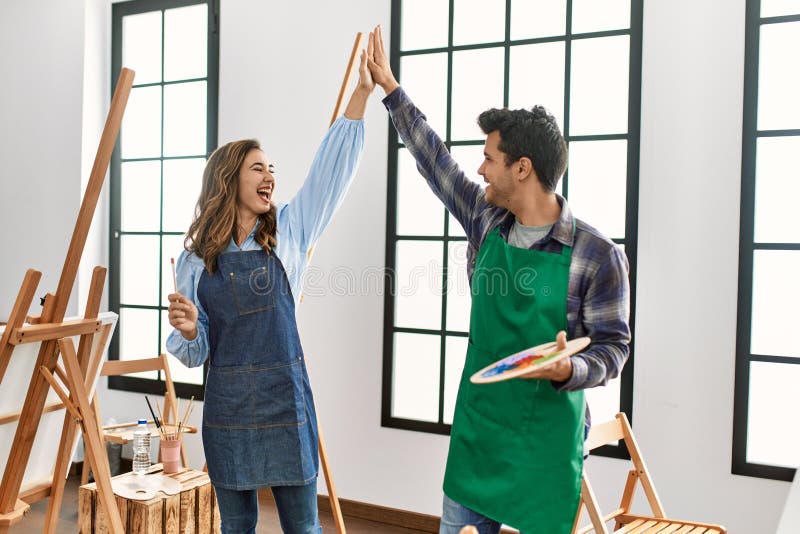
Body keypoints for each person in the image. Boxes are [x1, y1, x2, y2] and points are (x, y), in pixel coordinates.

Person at [366, 26, 630, 534]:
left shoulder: (596, 256)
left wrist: (567, 370)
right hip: (479, 436)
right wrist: (391, 90)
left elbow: (613, 349)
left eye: (489, 158)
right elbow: (433, 160)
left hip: (545, 449)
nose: (480, 170)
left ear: (523, 168)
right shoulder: (486, 220)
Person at [165, 45, 375, 534]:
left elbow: (330, 173)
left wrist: (361, 95)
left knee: (303, 528)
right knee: (236, 529)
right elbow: (194, 355)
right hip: (228, 409)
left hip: (286, 403)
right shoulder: (196, 260)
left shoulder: (291, 232)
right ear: (228, 180)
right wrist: (194, 327)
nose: (270, 176)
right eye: (258, 168)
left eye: (272, 168)